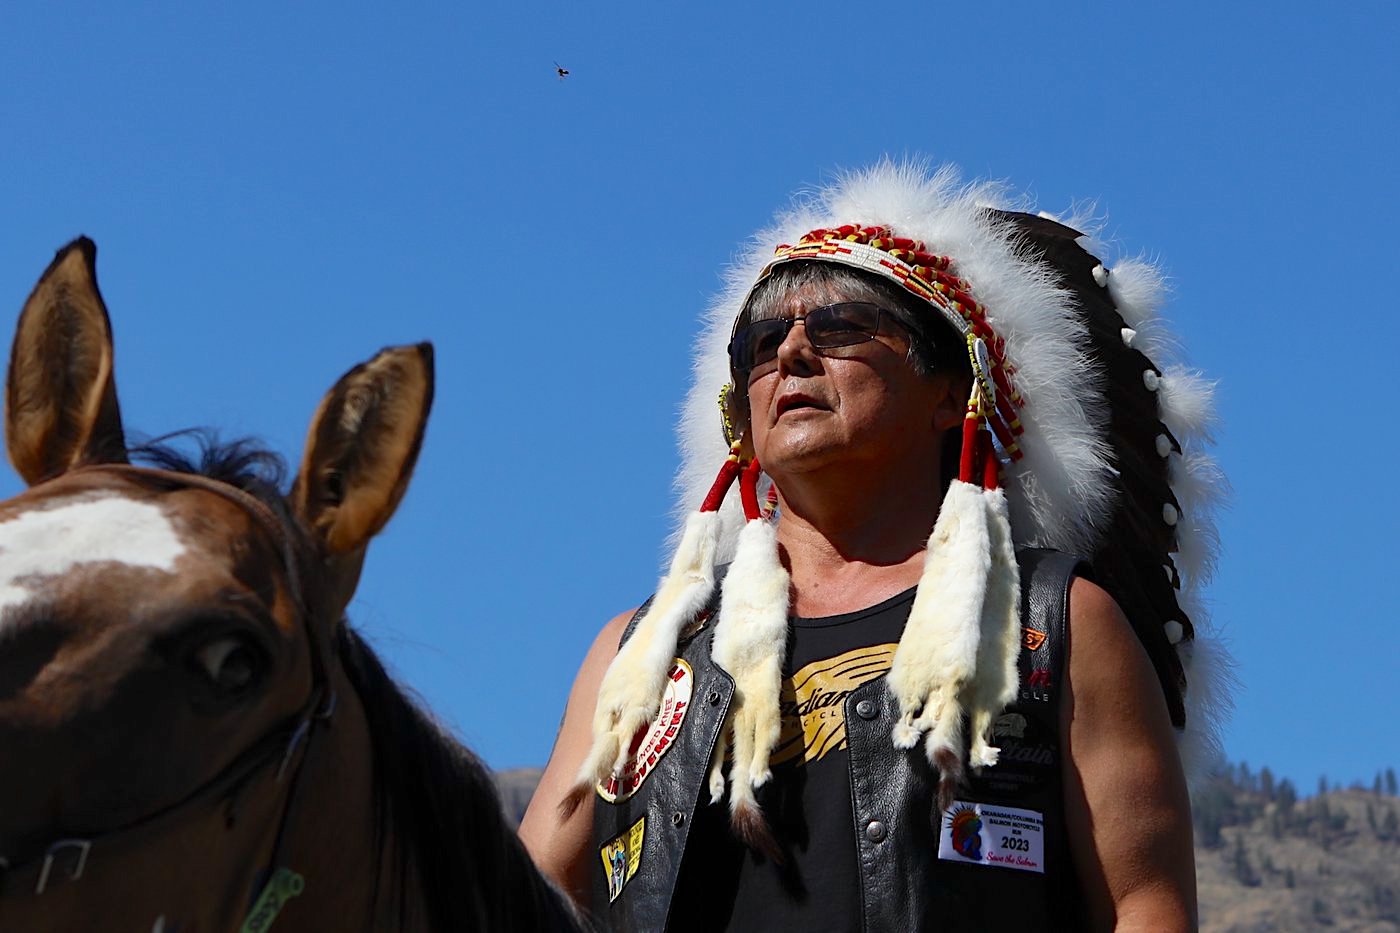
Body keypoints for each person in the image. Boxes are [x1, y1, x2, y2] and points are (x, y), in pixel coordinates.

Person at [519, 162, 1228, 931]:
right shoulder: (645, 655)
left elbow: (1144, 904)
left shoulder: (1057, 623)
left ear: (952, 392)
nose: (791, 354)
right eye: (762, 344)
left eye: (842, 328)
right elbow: (516, 899)